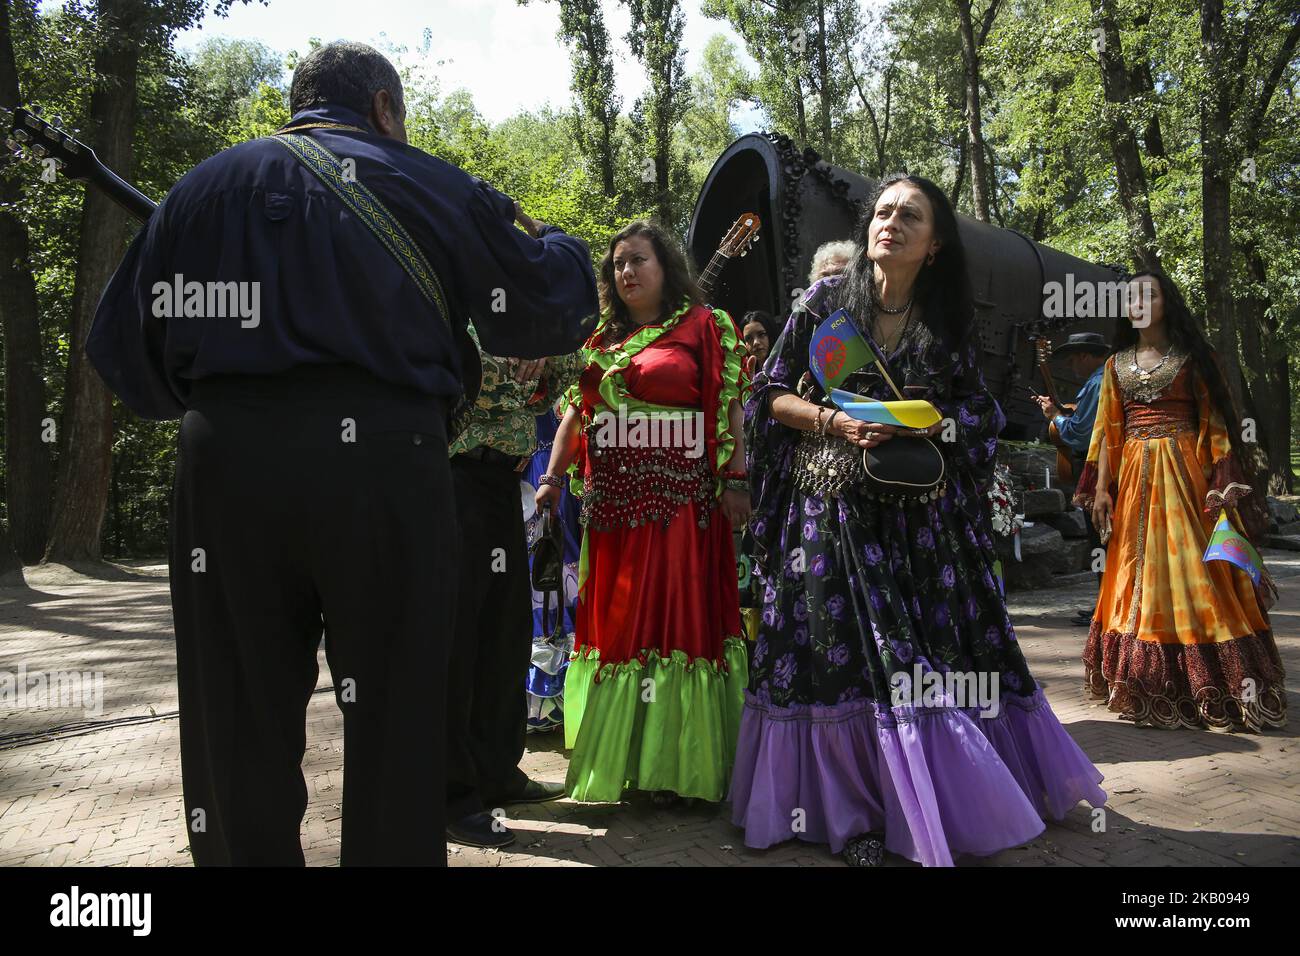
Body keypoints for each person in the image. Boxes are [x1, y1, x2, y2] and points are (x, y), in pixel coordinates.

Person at [85, 41, 598, 866]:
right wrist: (566, 244)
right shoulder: (429, 182)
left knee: (236, 721)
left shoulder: (201, 190)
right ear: (385, 109)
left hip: (227, 469)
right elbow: (542, 312)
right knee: (398, 719)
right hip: (387, 465)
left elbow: (126, 362)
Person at [731, 174, 1107, 867]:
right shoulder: (822, 306)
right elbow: (771, 394)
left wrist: (935, 425)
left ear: (934, 245)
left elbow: (984, 415)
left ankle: (928, 798)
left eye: (911, 215)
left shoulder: (949, 323)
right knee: (852, 655)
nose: (891, 223)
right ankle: (854, 814)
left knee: (918, 659)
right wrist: (833, 420)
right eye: (883, 212)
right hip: (832, 509)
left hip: (918, 520)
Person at [536, 220, 750, 808]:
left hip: (680, 504)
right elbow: (576, 416)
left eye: (638, 261)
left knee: (675, 622)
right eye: (617, 265)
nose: (626, 272)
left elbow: (728, 405)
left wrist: (736, 478)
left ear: (666, 268)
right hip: (609, 510)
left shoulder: (706, 327)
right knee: (622, 627)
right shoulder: (600, 341)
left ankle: (682, 769)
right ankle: (629, 760)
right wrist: (553, 478)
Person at [1073, 271, 1285, 731]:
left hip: (1186, 476)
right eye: (1130, 297)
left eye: (1148, 294)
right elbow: (1107, 432)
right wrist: (1102, 491)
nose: (1138, 303)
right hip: (1132, 481)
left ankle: (1218, 685)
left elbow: (1215, 423)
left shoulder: (1194, 358)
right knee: (1135, 572)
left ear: (1166, 301)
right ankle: (1146, 684)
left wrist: (1220, 484)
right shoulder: (1114, 366)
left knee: (1197, 570)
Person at [444, 331, 584, 850]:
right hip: (453, 479)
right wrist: (514, 358)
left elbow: (576, 363)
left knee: (505, 635)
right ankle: (454, 796)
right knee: (459, 642)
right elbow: (477, 378)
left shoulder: (523, 313)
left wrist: (542, 350)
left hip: (507, 486)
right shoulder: (453, 309)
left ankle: (500, 772)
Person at [1032, 331, 1111, 624]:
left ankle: (1106, 609)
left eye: (1074, 359)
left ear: (1087, 356)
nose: (1071, 366)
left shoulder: (1097, 382)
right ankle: (1107, 603)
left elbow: (1080, 434)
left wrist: (1055, 416)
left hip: (1098, 473)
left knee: (1101, 540)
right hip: (1108, 471)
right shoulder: (1105, 379)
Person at [523, 404, 584, 735]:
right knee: (539, 561)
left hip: (562, 466)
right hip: (529, 464)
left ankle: (564, 695)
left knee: (561, 563)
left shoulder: (573, 359)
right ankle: (540, 701)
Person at [740, 310, 778, 379]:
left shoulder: (786, 370)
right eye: (749, 339)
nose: (756, 342)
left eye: (762, 334)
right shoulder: (742, 376)